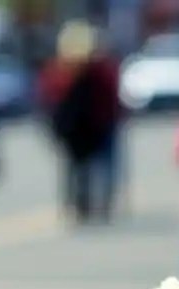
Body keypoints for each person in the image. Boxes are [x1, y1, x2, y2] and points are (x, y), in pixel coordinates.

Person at [42, 22, 121, 223]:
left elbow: (109, 100)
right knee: (78, 170)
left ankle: (97, 203)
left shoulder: (98, 71)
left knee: (96, 168)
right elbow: (50, 102)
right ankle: (79, 204)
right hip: (78, 130)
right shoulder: (62, 73)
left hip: (97, 126)